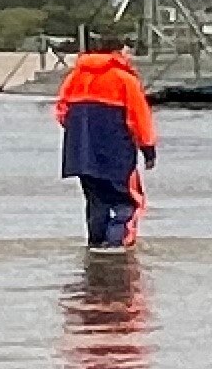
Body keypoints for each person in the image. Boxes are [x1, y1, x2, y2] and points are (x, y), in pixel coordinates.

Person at [54, 45, 157, 247]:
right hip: (116, 151)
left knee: (96, 203)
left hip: (80, 152)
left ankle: (95, 248)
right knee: (127, 202)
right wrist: (148, 149)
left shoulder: (74, 77)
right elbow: (139, 117)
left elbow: (61, 112)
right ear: (117, 53)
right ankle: (115, 248)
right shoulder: (124, 79)